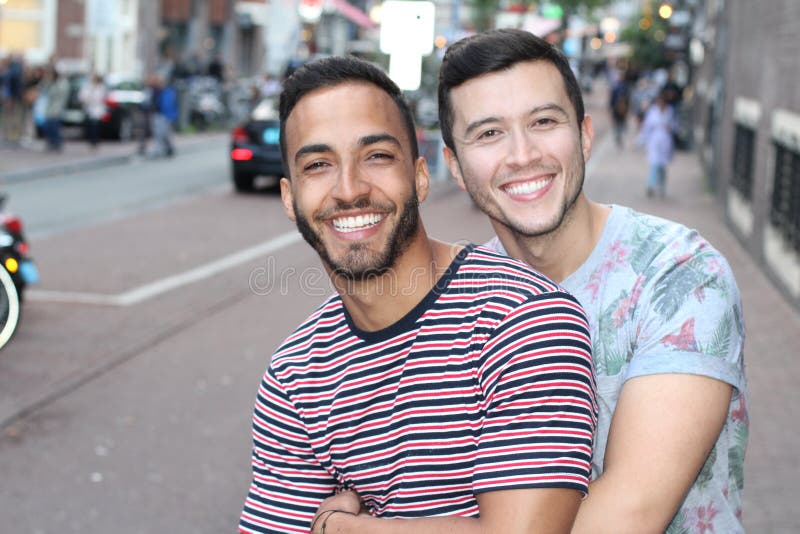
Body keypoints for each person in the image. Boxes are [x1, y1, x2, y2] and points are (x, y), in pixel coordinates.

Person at [239, 56, 598, 534]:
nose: (348, 189)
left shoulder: (524, 321)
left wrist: (344, 528)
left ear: (420, 177)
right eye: (318, 165)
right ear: (289, 197)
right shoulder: (294, 374)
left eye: (376, 156)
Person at [438, 29, 747, 534]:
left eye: (543, 121)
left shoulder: (681, 273)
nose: (522, 154)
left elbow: (630, 514)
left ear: (584, 135)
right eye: (489, 133)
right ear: (454, 164)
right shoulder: (458, 300)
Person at [638, 90, 678, 198]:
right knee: (654, 164)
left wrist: (670, 128)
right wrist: (641, 140)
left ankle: (662, 186)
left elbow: (675, 126)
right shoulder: (653, 112)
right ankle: (651, 186)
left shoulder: (670, 112)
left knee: (662, 166)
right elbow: (647, 127)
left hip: (665, 141)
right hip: (654, 141)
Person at [39, 65, 69, 152]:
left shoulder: (61, 83)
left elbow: (59, 94)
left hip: (57, 108)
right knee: (47, 127)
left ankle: (57, 143)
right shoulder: (50, 82)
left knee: (55, 127)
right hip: (49, 108)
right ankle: (50, 143)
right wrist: (46, 81)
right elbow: (42, 89)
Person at [78, 73, 107, 149]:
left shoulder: (101, 87)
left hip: (97, 109)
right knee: (90, 125)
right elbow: (82, 97)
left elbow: (101, 98)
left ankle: (95, 141)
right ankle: (91, 140)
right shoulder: (87, 86)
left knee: (96, 126)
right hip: (89, 109)